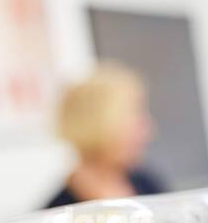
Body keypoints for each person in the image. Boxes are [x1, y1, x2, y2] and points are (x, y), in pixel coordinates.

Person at [44, 62, 167, 208]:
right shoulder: (57, 215)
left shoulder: (148, 183)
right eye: (135, 119)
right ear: (98, 128)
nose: (149, 130)